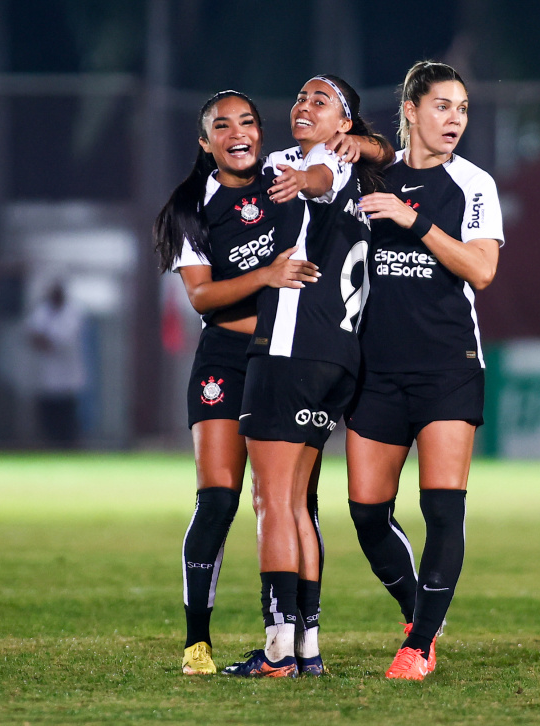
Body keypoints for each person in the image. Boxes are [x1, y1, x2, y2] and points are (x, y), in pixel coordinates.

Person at [222, 75, 392, 678]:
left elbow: (320, 175)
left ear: (343, 124)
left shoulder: (323, 161)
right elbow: (371, 156)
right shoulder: (344, 160)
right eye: (299, 97)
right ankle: (306, 649)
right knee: (296, 504)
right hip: (336, 358)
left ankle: (275, 653)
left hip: (292, 349)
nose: (303, 105)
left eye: (320, 101)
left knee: (271, 502)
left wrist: (307, 176)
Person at [153, 90, 323, 676]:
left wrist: (338, 153)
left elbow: (341, 166)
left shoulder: (283, 175)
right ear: (206, 143)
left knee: (291, 501)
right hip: (226, 358)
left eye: (247, 121)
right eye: (221, 126)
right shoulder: (190, 209)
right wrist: (268, 273)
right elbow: (202, 296)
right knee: (219, 498)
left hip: (284, 357)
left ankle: (302, 642)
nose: (237, 132)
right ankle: (196, 641)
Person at [346, 60, 505, 680]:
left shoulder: (474, 185)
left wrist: (416, 222)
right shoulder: (371, 178)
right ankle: (422, 617)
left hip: (448, 367)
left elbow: (482, 270)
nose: (455, 119)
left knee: (443, 510)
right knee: (366, 513)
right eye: (443, 106)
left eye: (463, 109)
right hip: (378, 372)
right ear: (410, 109)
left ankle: (416, 648)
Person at [24, 281, 86, 447]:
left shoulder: (72, 313)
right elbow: (30, 336)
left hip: (67, 383)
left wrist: (43, 339)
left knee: (66, 426)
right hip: (45, 381)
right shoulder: (43, 311)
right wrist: (41, 340)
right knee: (47, 425)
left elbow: (58, 342)